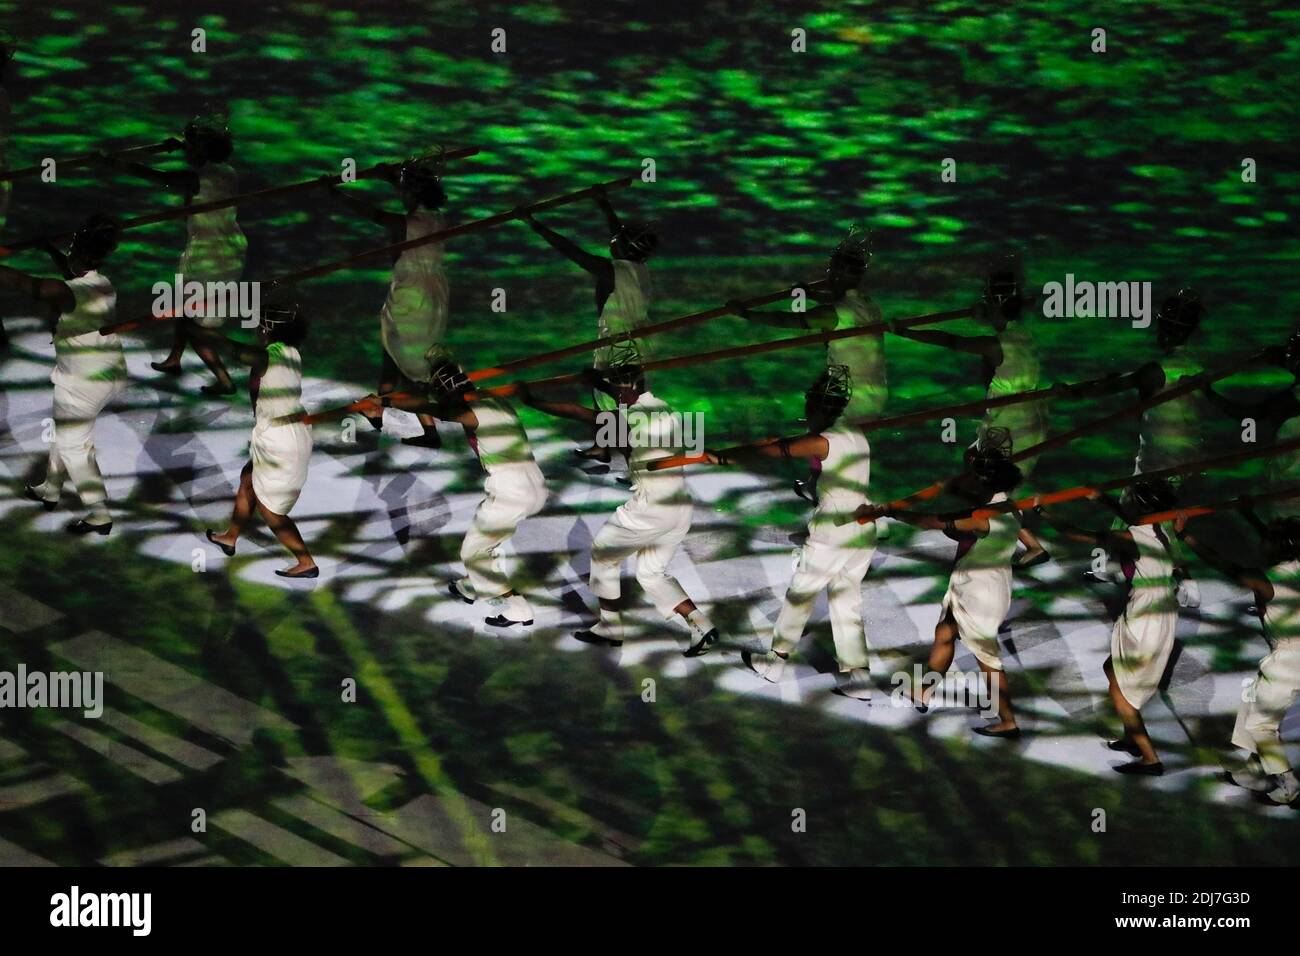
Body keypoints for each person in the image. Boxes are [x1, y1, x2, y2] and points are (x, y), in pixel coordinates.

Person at [522, 342, 718, 655]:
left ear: (624, 390)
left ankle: (610, 625)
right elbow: (625, 397)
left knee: (603, 554)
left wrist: (532, 401)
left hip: (650, 507)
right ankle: (700, 624)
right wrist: (598, 382)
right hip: (680, 506)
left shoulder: (629, 419)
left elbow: (580, 413)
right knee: (652, 573)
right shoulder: (664, 407)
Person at [356, 353, 547, 627]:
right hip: (534, 485)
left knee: (474, 552)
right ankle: (472, 586)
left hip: (511, 492)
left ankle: (517, 609)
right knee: (488, 539)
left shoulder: (469, 413)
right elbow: (433, 407)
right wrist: (390, 406)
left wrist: (383, 403)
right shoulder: (496, 400)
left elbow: (435, 410)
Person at [722, 366, 876, 700]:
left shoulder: (824, 440)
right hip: (865, 526)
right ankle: (859, 677)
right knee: (847, 600)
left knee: (801, 592)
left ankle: (773, 663)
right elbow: (794, 448)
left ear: (817, 407)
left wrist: (730, 455)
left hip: (835, 528)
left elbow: (780, 451)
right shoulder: (855, 433)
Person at [857, 428, 1026, 732]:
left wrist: (893, 513)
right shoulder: (1009, 507)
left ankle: (1008, 721)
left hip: (980, 592)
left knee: (987, 658)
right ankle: (925, 689)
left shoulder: (982, 516)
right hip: (983, 582)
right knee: (945, 631)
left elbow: (930, 522)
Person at [889, 256, 1051, 566]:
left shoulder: (997, 344)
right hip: (1021, 417)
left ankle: (975, 538)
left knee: (987, 482)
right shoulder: (1020, 334)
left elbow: (952, 341)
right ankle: (1028, 544)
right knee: (979, 469)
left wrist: (904, 330)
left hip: (1011, 425)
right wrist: (985, 315)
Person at [728, 227, 887, 505]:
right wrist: (809, 292)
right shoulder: (868, 305)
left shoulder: (834, 312)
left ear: (835, 274)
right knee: (846, 449)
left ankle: (825, 491)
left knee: (823, 437)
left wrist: (747, 314)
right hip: (875, 391)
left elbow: (792, 320)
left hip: (845, 395)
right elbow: (834, 302)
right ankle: (833, 490)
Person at [1038, 480, 1182, 774]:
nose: (1123, 501)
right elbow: (1133, 519)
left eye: (1126, 499)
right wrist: (1102, 499)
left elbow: (1073, 534)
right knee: (1111, 670)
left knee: (1122, 693)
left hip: (1147, 617)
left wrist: (1045, 513)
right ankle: (1132, 738)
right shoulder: (1157, 528)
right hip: (1157, 610)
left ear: (1138, 507)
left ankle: (1150, 758)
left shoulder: (1132, 537)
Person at [99, 112, 247, 395]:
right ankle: (175, 359)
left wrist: (113, 162)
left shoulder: (202, 179)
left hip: (214, 258)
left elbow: (160, 177)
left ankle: (224, 380)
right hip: (209, 248)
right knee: (183, 306)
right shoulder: (225, 171)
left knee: (195, 323)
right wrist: (183, 144)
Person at [2, 215, 125, 533]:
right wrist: (49, 250)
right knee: (66, 431)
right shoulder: (102, 284)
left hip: (85, 382)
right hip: (97, 372)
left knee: (73, 445)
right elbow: (69, 276)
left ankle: (99, 513)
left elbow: (29, 284)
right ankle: (50, 488)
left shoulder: (65, 292)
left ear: (79, 254)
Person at [520, 187, 658, 464]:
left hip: (618, 343)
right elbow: (618, 232)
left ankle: (637, 464)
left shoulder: (610, 270)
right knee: (605, 394)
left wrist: (533, 224)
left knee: (616, 398)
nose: (612, 241)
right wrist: (604, 203)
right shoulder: (638, 267)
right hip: (638, 338)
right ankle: (602, 446)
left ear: (621, 247)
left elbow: (570, 250)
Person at [1175, 505, 1300, 806]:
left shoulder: (1267, 580)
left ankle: (1288, 784)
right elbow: (1281, 541)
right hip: (1291, 656)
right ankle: (1253, 770)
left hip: (1289, 661)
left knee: (1260, 724)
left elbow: (1225, 566)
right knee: (1251, 706)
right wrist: (1250, 512)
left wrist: (1186, 537)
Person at [330, 150, 448, 447]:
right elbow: (412, 201)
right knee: (393, 357)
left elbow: (376, 215)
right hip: (431, 297)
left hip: (412, 301)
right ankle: (389, 414)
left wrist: (335, 195)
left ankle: (378, 405)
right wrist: (392, 179)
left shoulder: (407, 223)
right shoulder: (436, 218)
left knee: (407, 365)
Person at [204, 301, 317, 578]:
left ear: (267, 329)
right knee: (247, 480)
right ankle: (230, 537)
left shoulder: (272, 355)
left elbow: (241, 354)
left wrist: (210, 334)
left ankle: (306, 562)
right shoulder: (291, 352)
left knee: (271, 511)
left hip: (280, 440)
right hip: (285, 431)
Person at [1203, 332, 1300, 519]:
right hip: (1287, 486)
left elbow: (1247, 414)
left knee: (1284, 535)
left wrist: (1208, 393)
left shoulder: (1287, 403)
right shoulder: (1288, 401)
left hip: (1289, 490)